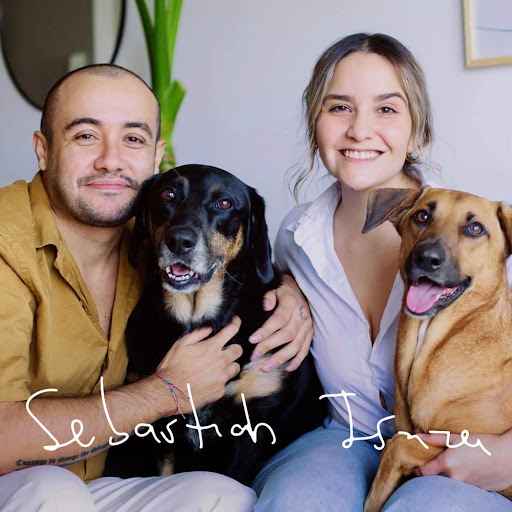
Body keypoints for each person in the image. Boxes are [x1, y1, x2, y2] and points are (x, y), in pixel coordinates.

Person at [0, 64, 312, 512]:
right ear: (43, 149)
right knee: (52, 490)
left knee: (225, 498)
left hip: (100, 484)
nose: (111, 159)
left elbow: (226, 250)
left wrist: (292, 291)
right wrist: (165, 391)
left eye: (132, 138)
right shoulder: (7, 246)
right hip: (22, 482)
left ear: (155, 156)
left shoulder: (149, 237)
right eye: (85, 136)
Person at [252, 33, 512, 511]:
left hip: (464, 451)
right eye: (339, 108)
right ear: (315, 124)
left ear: (418, 131)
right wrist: (286, 289)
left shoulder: (482, 239)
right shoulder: (295, 235)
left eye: (387, 110)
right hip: (341, 438)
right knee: (297, 501)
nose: (359, 129)